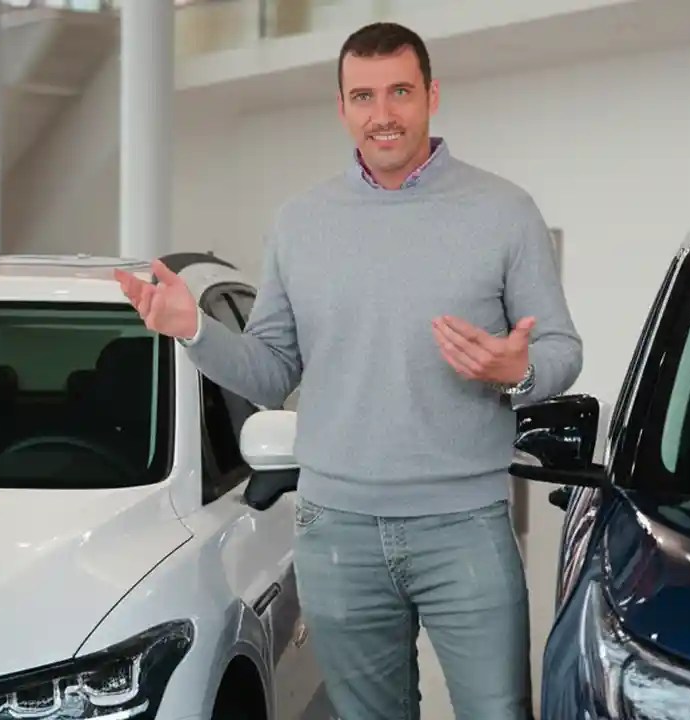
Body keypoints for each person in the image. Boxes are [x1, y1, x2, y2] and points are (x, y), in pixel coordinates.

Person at [115, 21, 582, 720]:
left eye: (400, 92)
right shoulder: (299, 223)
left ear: (431, 96)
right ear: (342, 108)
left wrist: (518, 371)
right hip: (337, 533)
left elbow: (562, 351)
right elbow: (272, 372)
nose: (382, 113)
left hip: (465, 526)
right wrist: (195, 332)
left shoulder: (504, 212)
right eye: (363, 96)